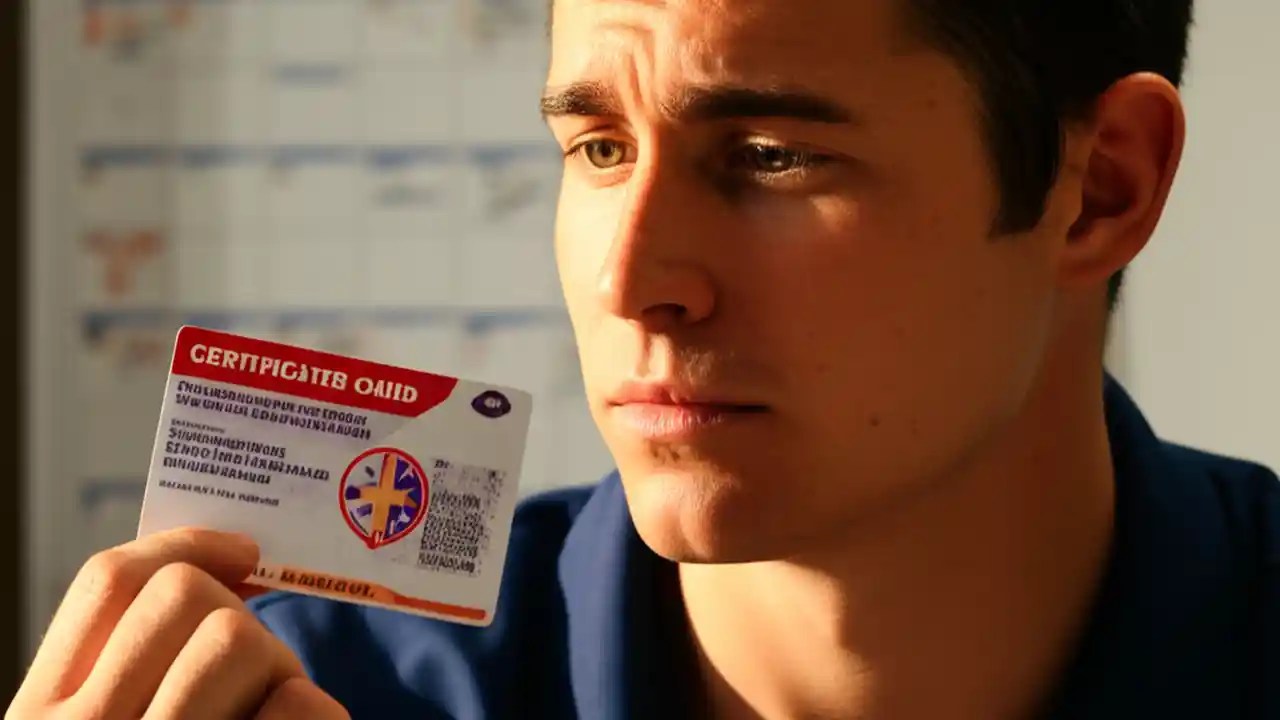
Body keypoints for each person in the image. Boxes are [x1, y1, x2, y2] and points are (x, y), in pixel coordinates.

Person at [11, 0, 1279, 718]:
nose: (629, 283)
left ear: (1099, 187)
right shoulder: (313, 697)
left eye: (771, 157)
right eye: (599, 150)